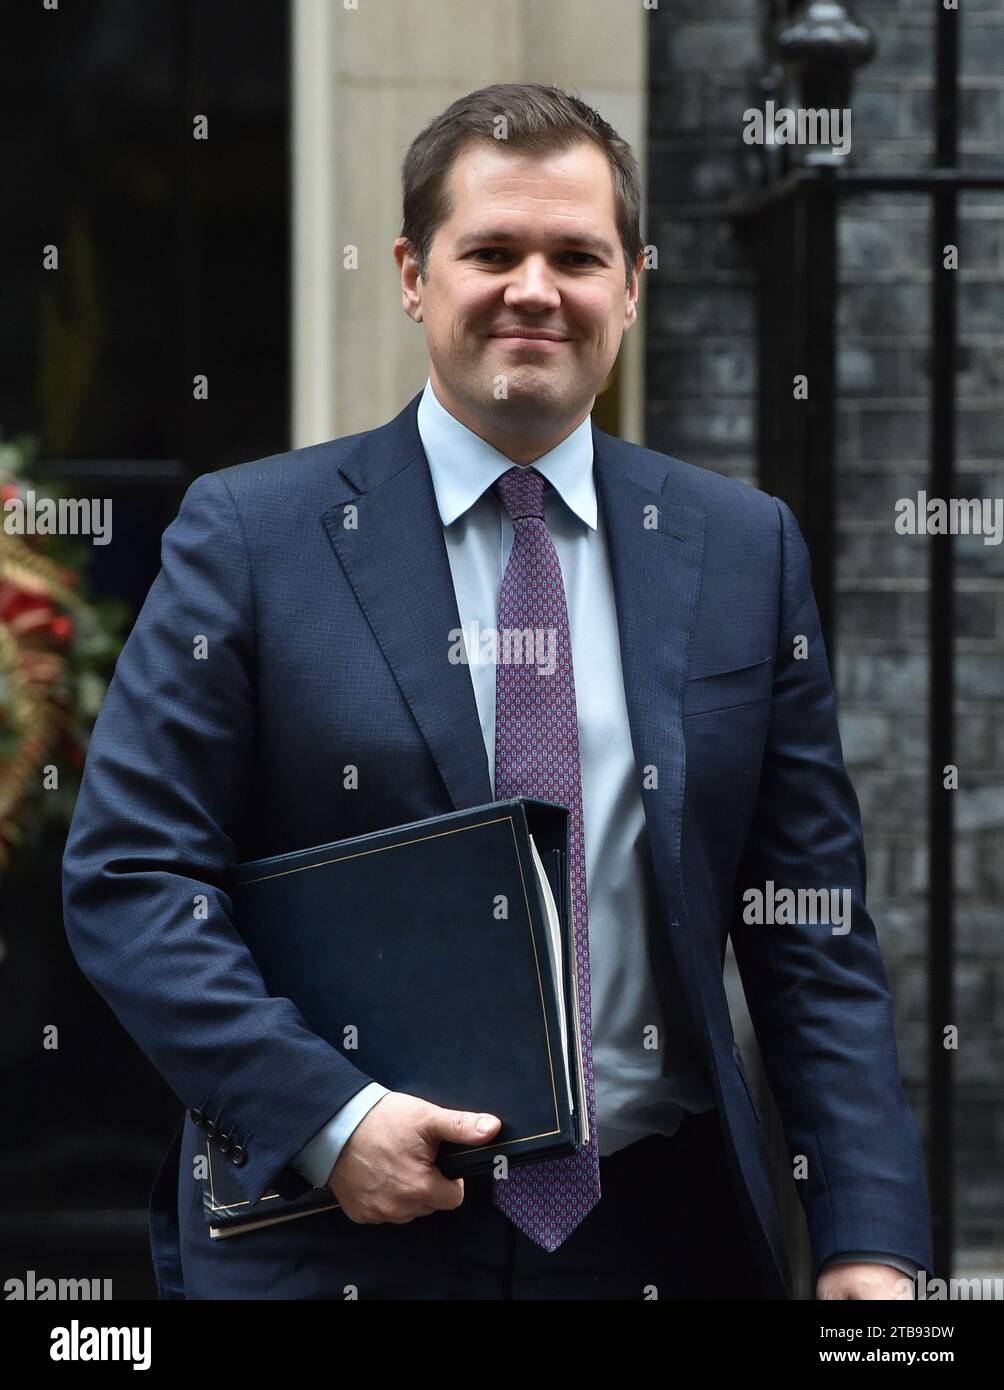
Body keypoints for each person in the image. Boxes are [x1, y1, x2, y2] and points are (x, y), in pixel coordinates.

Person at [61, 82, 932, 1301]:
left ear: (631, 283)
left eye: (576, 254)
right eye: (493, 251)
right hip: (341, 1237)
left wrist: (867, 1237)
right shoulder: (252, 538)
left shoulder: (742, 550)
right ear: (416, 274)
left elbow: (810, 933)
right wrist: (331, 1114)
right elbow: (133, 878)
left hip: (662, 1239)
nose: (535, 288)